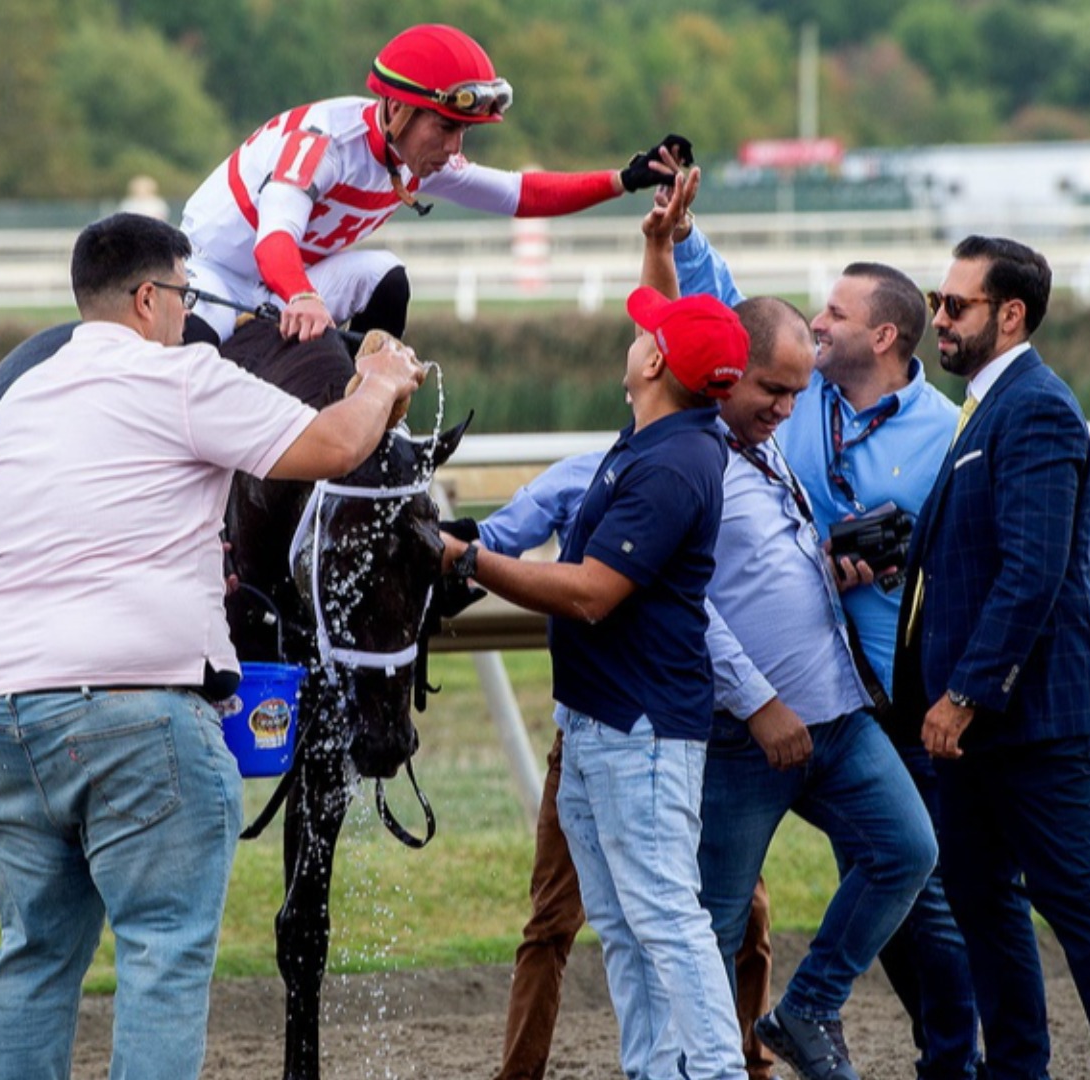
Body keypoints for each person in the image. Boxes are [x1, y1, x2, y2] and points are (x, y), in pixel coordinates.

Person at [0, 212, 426, 1080]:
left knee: (33, 961)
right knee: (163, 960)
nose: (192, 315)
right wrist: (379, 377)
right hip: (139, 719)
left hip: (2, 719)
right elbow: (335, 445)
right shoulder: (180, 378)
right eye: (187, 295)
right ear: (147, 298)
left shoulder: (23, 397)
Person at [440, 168, 751, 1080]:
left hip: (640, 730)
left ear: (655, 366)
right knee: (624, 923)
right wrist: (660, 243)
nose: (637, 336)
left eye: (644, 337)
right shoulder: (676, 423)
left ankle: (717, 1070)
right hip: (606, 722)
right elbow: (668, 319)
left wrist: (461, 558)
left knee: (662, 917)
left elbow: (587, 595)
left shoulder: (668, 467)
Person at [679, 223, 985, 1079]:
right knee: (716, 915)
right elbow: (734, 314)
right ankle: (696, 1058)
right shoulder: (774, 410)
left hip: (879, 699)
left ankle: (882, 1038)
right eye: (774, 380)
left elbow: (963, 555)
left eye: (833, 314)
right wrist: (681, 235)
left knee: (917, 874)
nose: (816, 327)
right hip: (761, 723)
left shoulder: (943, 429)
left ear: (882, 336)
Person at [895, 235, 1090, 1080]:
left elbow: (1034, 569)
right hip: (970, 730)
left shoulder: (1037, 407)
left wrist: (965, 694)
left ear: (1009, 314)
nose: (938, 319)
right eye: (940, 303)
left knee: (1079, 906)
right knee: (982, 906)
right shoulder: (984, 408)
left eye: (955, 306)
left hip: (1031, 716)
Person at [465, 453, 776, 1080]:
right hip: (594, 731)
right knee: (557, 917)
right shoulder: (595, 472)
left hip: (682, 732)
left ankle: (747, 1062)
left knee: (739, 913)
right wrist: (456, 551)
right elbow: (502, 531)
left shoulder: (714, 478)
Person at [179, 22, 690, 346]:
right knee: (195, 361)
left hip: (286, 284)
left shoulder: (419, 156)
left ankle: (373, 424)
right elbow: (274, 242)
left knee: (388, 278)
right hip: (215, 272)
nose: (454, 147)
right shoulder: (323, 144)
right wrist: (303, 297)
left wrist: (625, 179)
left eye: (463, 129)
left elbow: (523, 194)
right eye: (446, 127)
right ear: (397, 109)